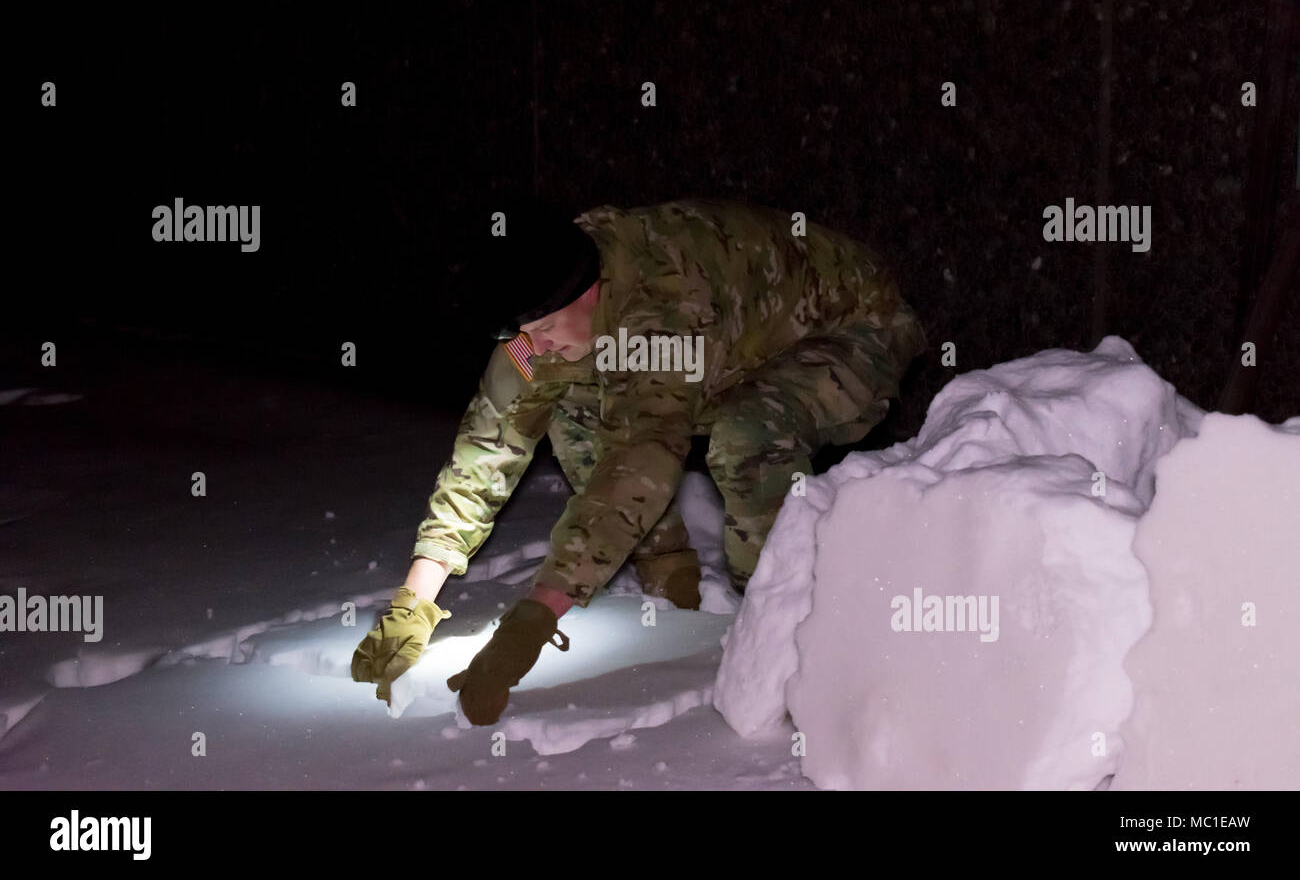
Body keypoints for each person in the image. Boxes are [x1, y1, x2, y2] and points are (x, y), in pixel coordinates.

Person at [352, 197, 927, 724]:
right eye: (527, 335)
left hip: (852, 330)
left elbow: (643, 460)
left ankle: (777, 621)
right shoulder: (541, 325)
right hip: (726, 349)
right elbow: (485, 450)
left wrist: (534, 618)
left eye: (548, 330)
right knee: (569, 405)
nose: (539, 345)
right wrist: (415, 597)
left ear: (594, 293)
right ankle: (670, 580)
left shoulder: (661, 307)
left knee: (747, 433)